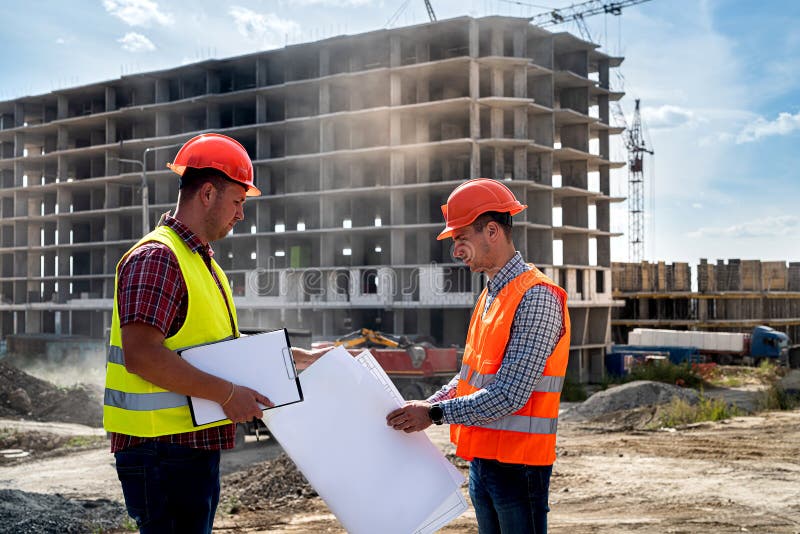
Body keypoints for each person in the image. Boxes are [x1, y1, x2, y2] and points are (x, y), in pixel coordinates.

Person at [103, 133, 326, 533]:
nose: (241, 214)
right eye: (238, 202)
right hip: (160, 451)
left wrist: (294, 360)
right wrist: (226, 395)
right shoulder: (158, 258)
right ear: (207, 193)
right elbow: (142, 355)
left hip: (186, 448)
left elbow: (218, 351)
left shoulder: (201, 263)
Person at [386, 178, 570, 534]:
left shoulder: (537, 297)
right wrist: (430, 401)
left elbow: (509, 394)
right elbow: (471, 377)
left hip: (519, 467)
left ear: (491, 231)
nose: (455, 250)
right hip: (485, 461)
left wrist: (434, 414)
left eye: (461, 239)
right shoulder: (491, 295)